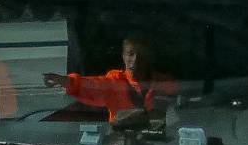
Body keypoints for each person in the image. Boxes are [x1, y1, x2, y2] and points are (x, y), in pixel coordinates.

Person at [45, 34, 178, 123]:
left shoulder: (164, 83)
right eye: (130, 54)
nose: (135, 60)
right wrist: (62, 80)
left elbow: (189, 106)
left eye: (141, 55)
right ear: (123, 56)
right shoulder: (114, 81)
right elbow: (88, 85)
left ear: (149, 58)